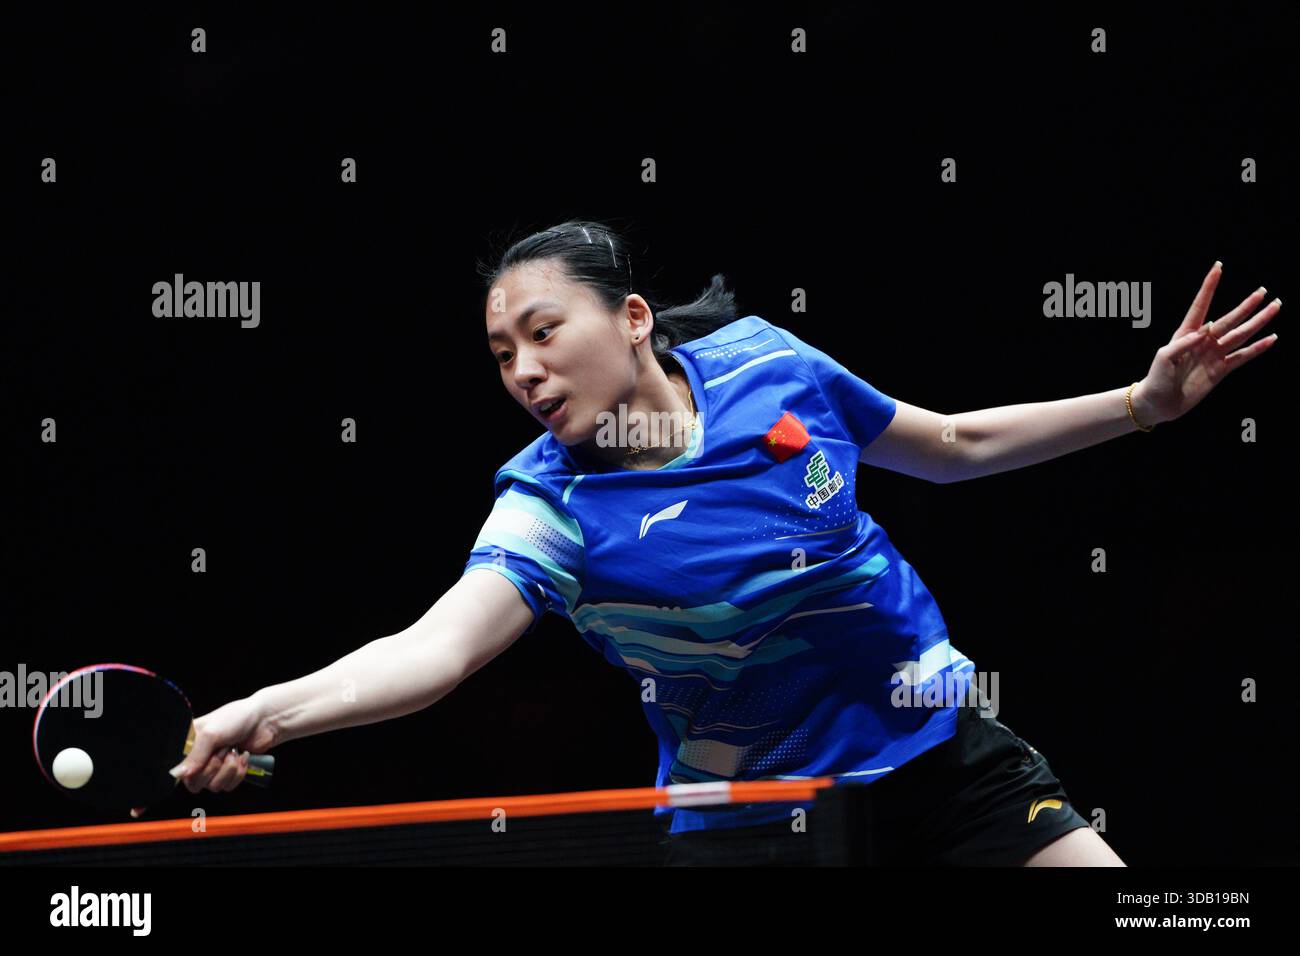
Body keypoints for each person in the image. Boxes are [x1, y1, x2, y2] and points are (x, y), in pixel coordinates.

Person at [166, 221, 1279, 866]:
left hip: (935, 755)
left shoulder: (770, 372)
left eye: (544, 332)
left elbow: (950, 444)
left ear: (634, 317)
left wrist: (1143, 402)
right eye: (503, 353)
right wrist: (263, 711)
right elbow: (432, 652)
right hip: (758, 823)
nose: (524, 371)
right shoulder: (550, 506)